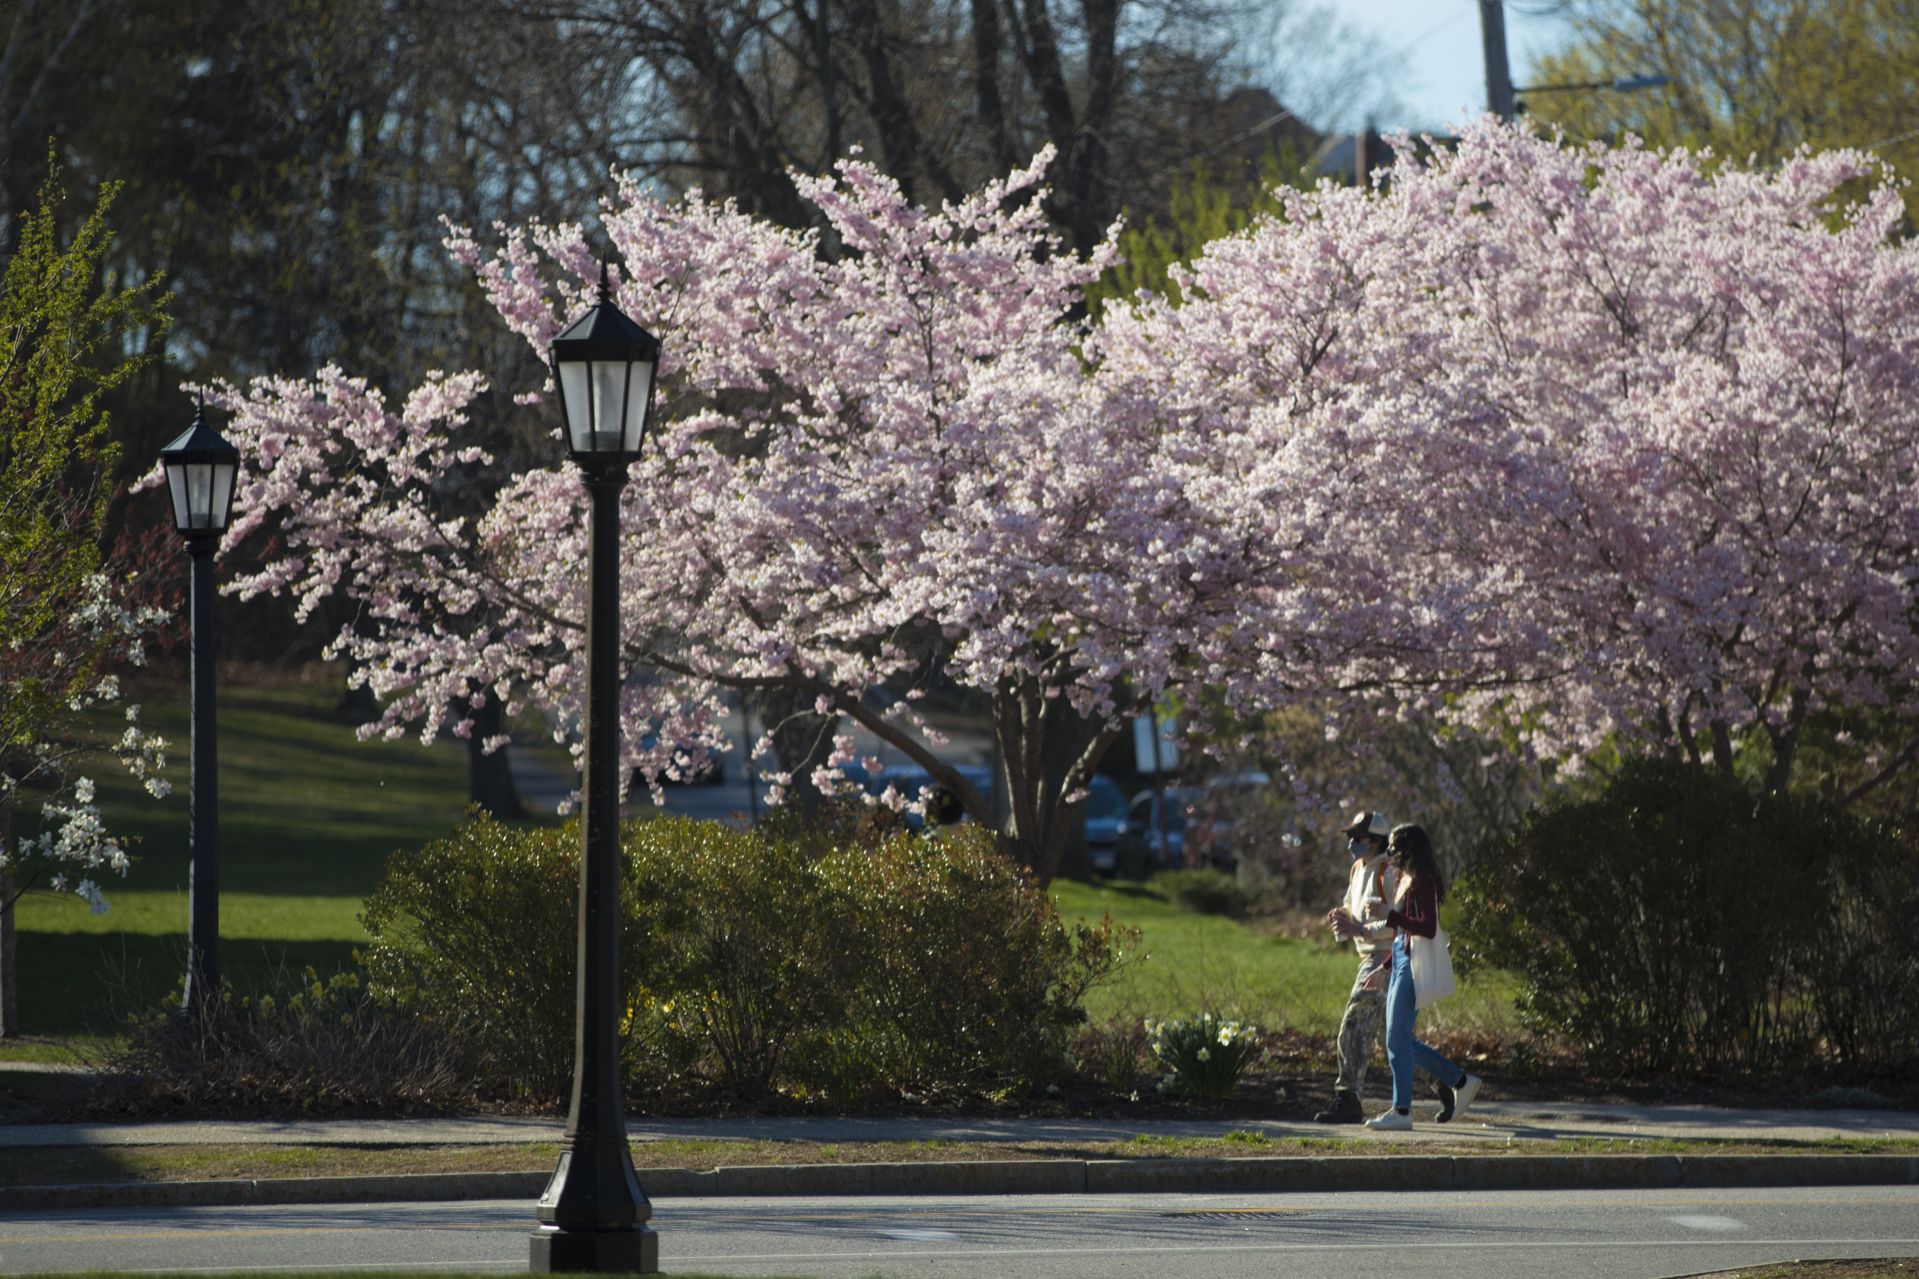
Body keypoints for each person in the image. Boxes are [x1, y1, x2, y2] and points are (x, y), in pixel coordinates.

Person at [1359, 822, 1482, 1131]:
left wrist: (1388, 915)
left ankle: (1402, 1111)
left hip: (1412, 965)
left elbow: (1425, 927)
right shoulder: (1406, 880)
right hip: (1400, 959)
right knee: (1400, 1039)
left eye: (1394, 848)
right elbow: (1402, 933)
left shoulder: (1422, 881)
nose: (1390, 854)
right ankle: (1460, 1081)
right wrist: (1382, 968)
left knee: (1394, 1037)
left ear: (1409, 850)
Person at [1314, 809, 1396, 1123]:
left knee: (1353, 1025)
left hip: (1385, 957)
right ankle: (1450, 1082)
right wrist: (1342, 916)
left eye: (1357, 839)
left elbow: (1401, 922)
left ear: (1375, 841)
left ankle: (1348, 1098)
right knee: (1396, 1036)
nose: (1351, 845)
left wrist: (1360, 930)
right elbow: (1353, 907)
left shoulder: (1388, 871)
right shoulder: (1358, 869)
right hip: (1369, 956)